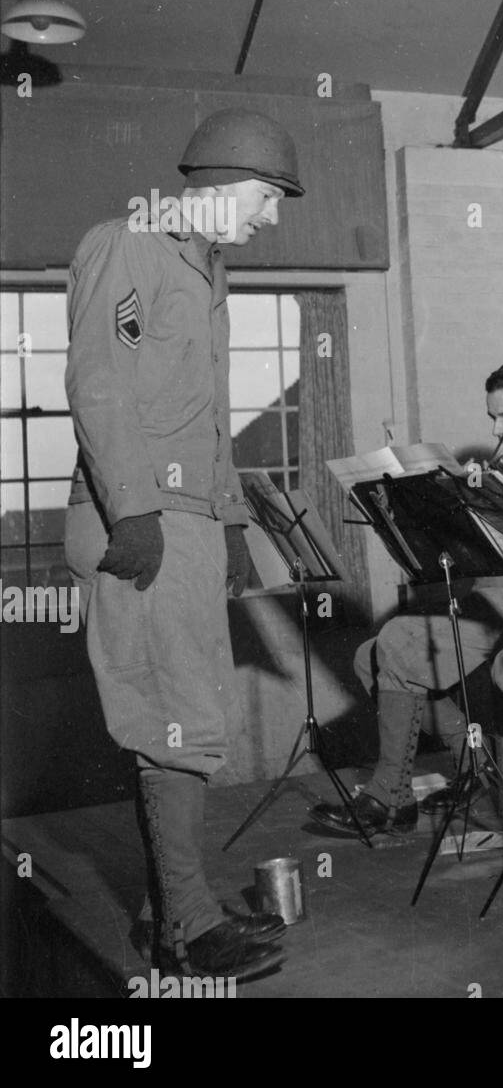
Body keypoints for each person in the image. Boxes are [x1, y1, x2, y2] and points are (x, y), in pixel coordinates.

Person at [64, 108, 305, 982]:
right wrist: (130, 512)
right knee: (169, 724)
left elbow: (205, 418)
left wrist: (233, 522)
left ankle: (182, 917)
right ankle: (185, 930)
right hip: (146, 524)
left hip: (192, 522)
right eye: (267, 196)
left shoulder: (206, 267)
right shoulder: (127, 242)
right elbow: (99, 383)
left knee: (193, 722)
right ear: (219, 183)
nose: (270, 215)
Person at [312, 360, 503, 838]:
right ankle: (475, 765)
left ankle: (390, 798)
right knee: (369, 656)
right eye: (493, 417)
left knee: (398, 638)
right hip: (487, 600)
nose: (496, 428)